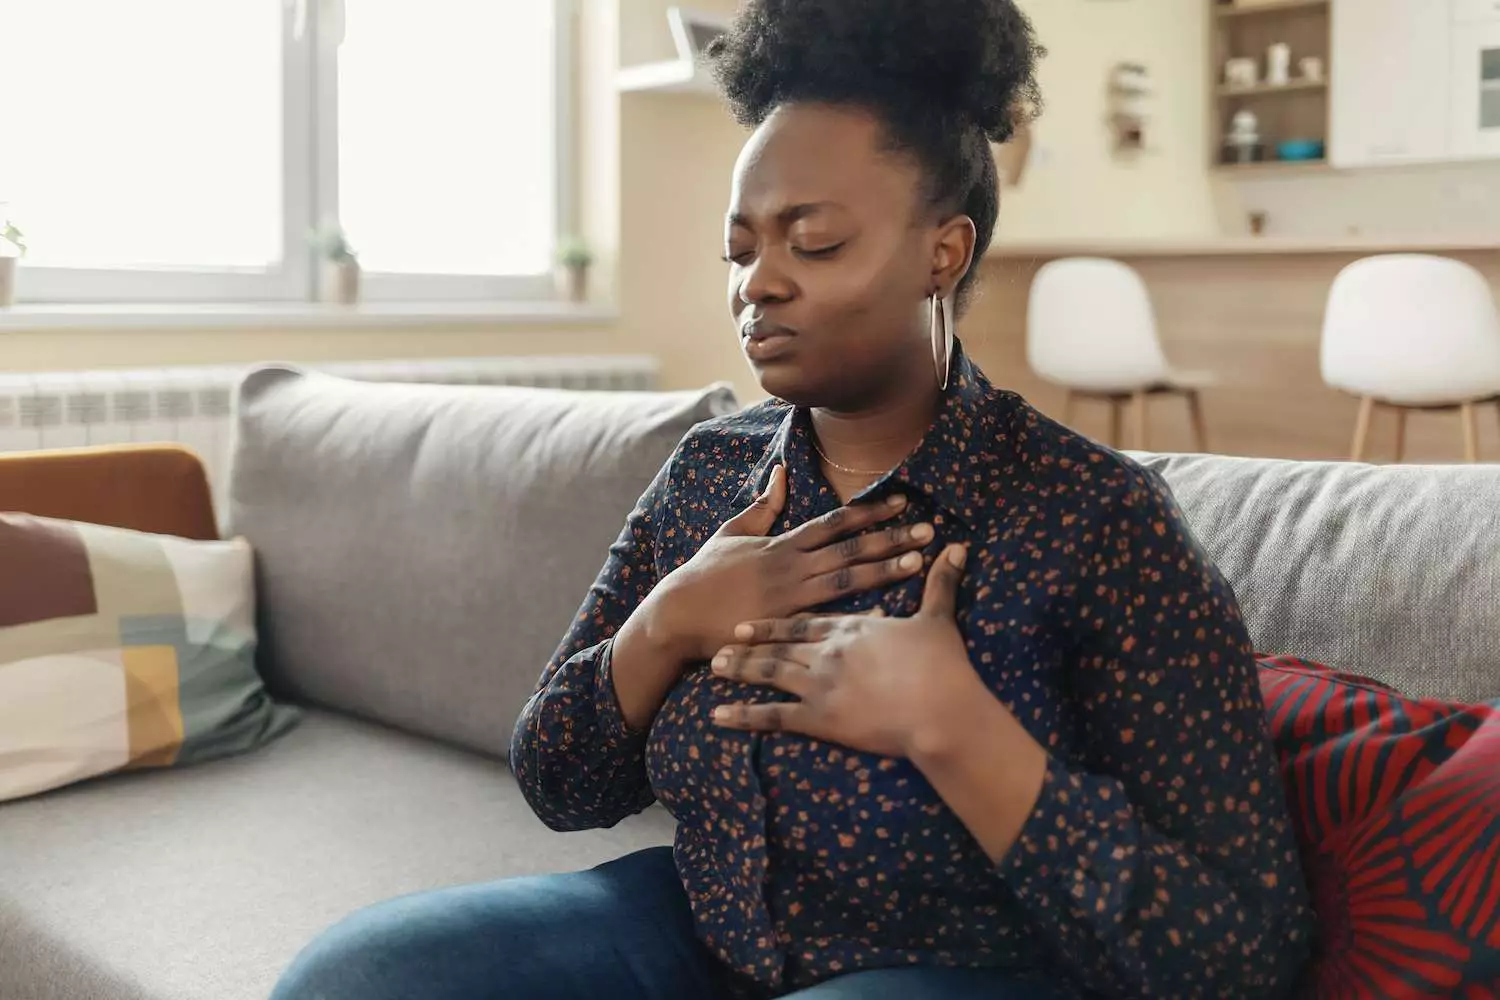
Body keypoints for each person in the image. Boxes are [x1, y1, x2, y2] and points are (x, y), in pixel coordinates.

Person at [270, 0, 1313, 997]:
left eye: (812, 242)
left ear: (942, 254)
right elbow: (559, 780)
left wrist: (955, 728)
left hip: (971, 970)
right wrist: (666, 621)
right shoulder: (711, 477)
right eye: (741, 248)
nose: (758, 282)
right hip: (704, 931)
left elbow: (1244, 953)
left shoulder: (1094, 521)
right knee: (357, 978)